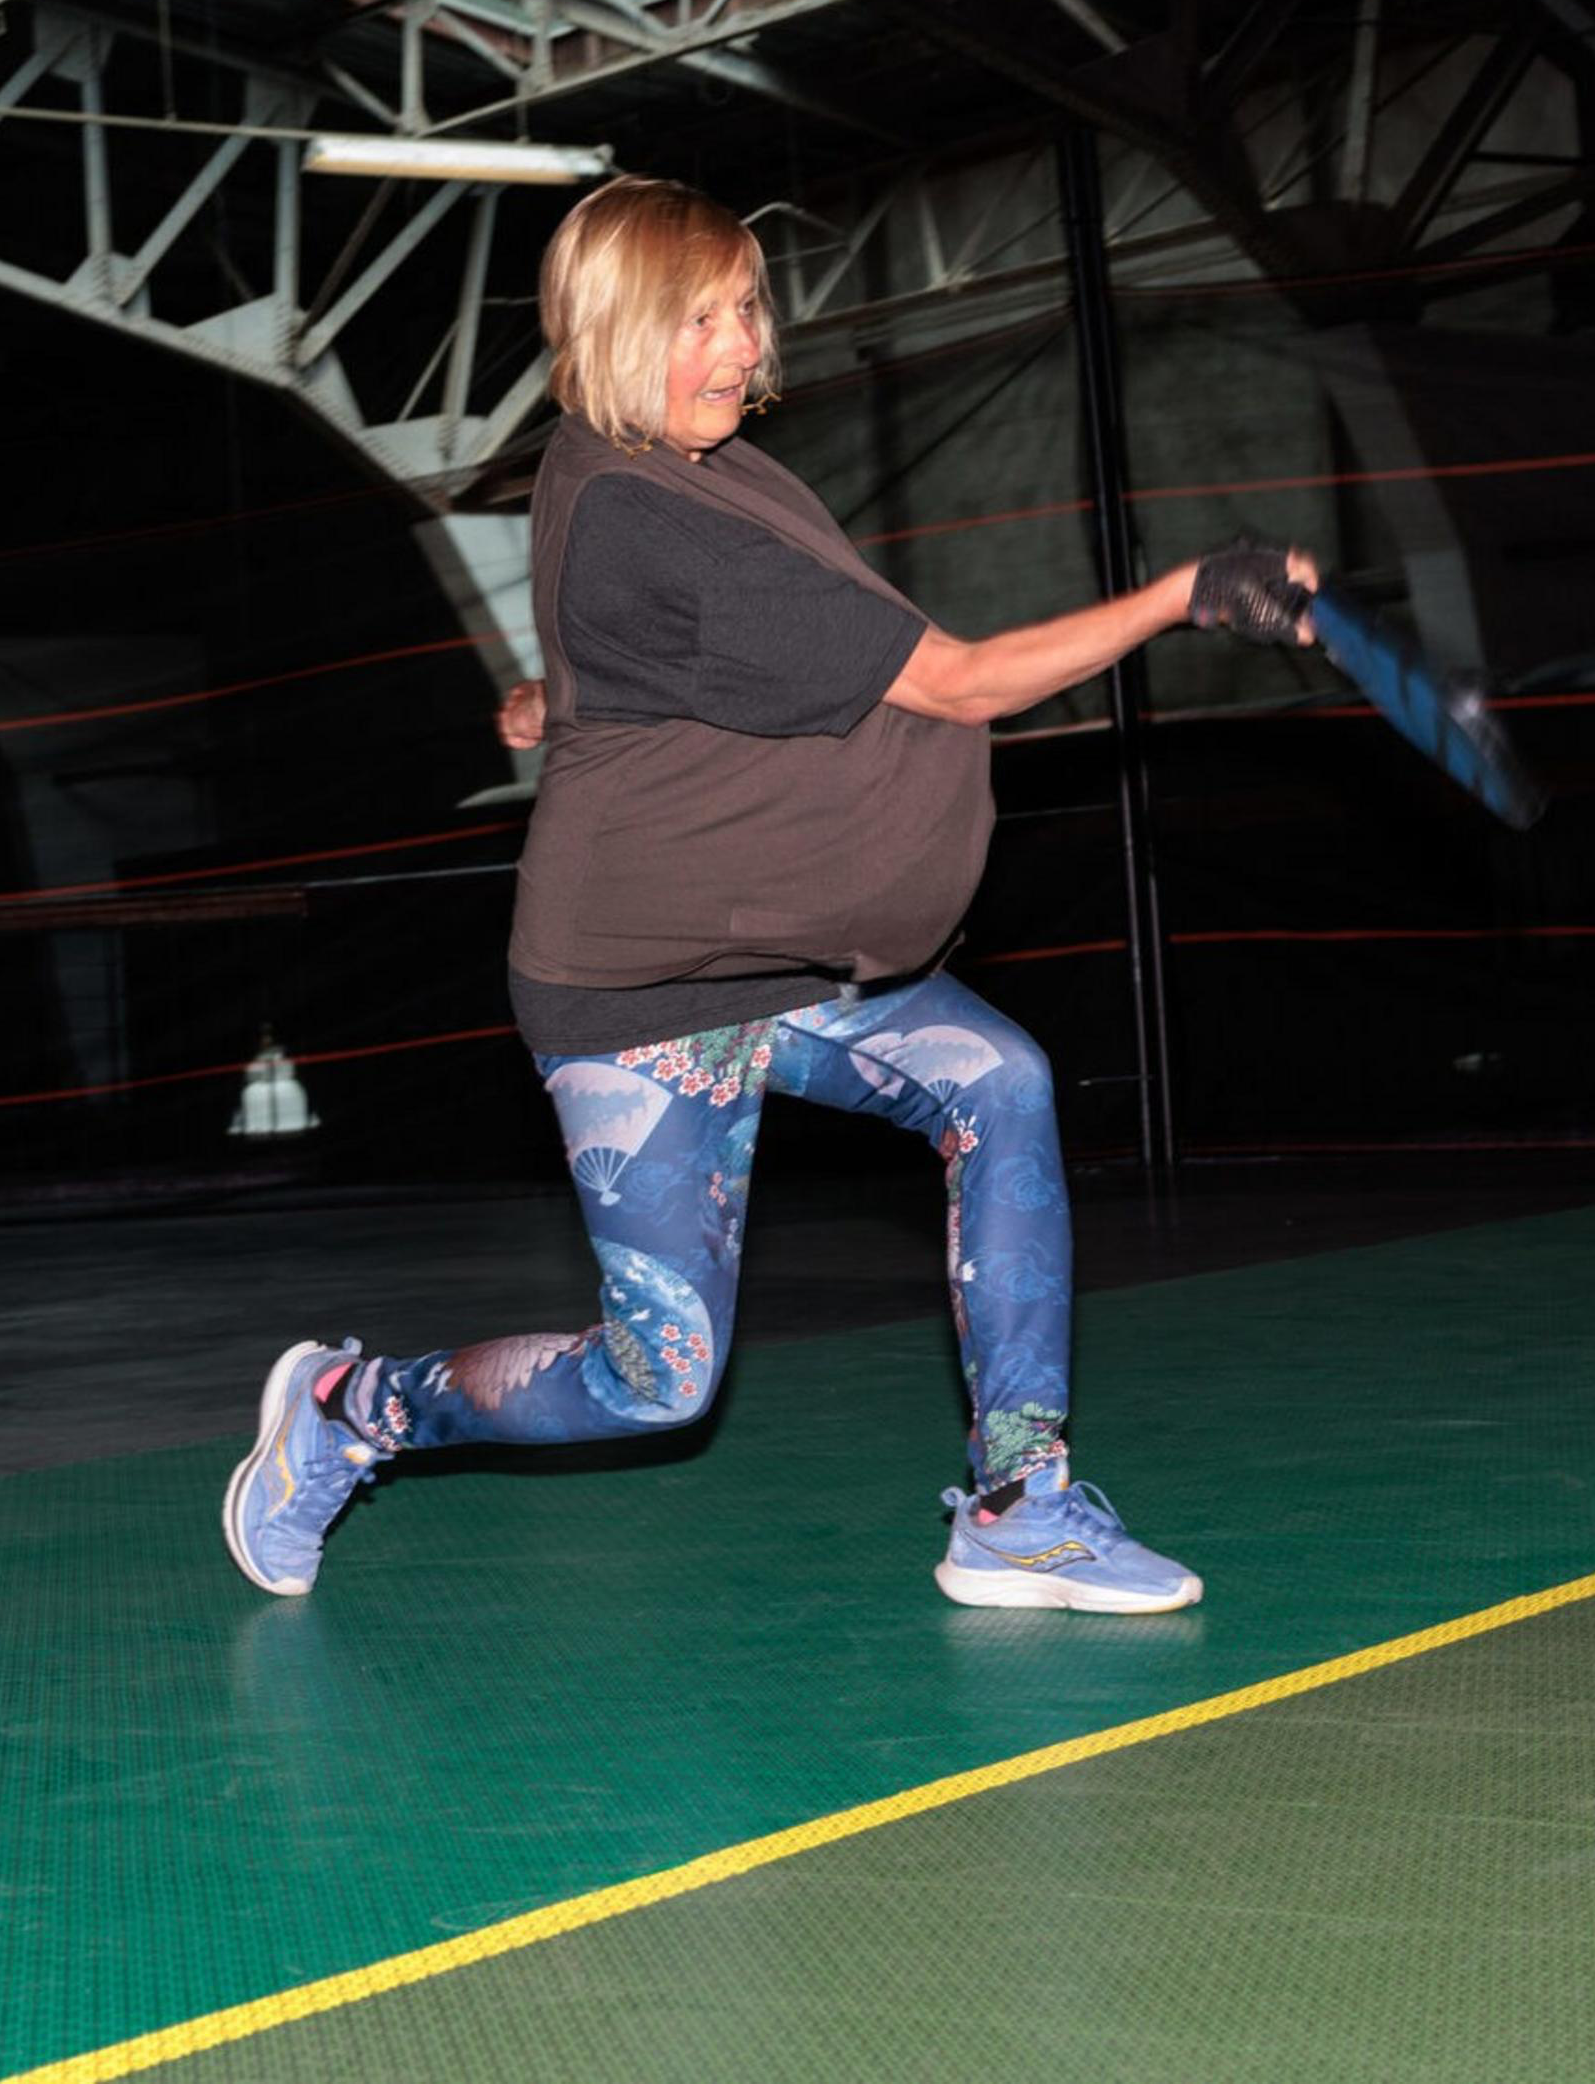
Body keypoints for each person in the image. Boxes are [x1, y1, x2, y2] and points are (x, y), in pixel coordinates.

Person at [225, 174, 1317, 1610]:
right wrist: (1186, 596)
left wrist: (565, 692)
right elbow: (960, 681)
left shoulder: (668, 463)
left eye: (746, 308)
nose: (743, 347)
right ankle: (348, 1410)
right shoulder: (658, 516)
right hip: (635, 988)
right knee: (657, 1382)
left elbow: (662, 645)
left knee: (999, 1080)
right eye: (700, 321)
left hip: (778, 944)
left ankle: (1019, 1503)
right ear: (615, 333)